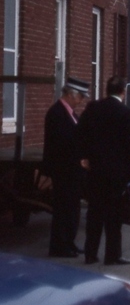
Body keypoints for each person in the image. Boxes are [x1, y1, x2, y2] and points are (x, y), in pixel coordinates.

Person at [76, 76, 130, 265]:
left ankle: (90, 254)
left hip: (96, 170)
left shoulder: (93, 109)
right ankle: (112, 255)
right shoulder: (126, 113)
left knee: (94, 212)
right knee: (114, 215)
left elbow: (81, 133)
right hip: (118, 173)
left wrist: (84, 156)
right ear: (123, 91)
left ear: (107, 90)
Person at [43, 77, 90, 258]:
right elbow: (64, 143)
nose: (81, 101)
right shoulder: (57, 114)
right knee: (64, 208)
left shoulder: (70, 113)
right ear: (71, 94)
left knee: (72, 208)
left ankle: (69, 242)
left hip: (71, 169)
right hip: (64, 170)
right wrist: (80, 157)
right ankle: (59, 246)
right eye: (80, 97)